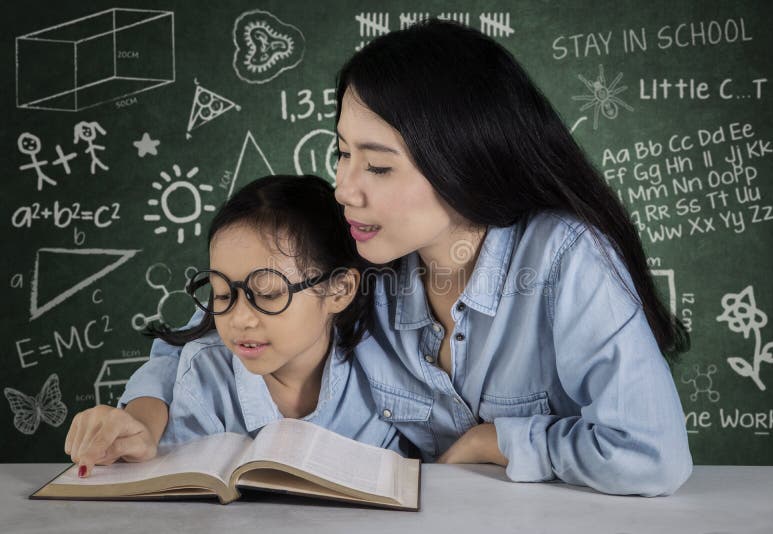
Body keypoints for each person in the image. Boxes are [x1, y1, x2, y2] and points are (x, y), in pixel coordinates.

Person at [66, 20, 693, 496]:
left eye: (378, 165)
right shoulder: (366, 255)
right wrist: (141, 418)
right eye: (342, 154)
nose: (344, 187)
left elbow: (650, 453)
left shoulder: (565, 260)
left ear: (461, 162)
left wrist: (500, 440)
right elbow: (208, 330)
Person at [64, 175, 403, 478]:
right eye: (223, 293)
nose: (239, 319)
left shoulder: (384, 367)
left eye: (268, 294)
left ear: (339, 290)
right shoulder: (204, 377)